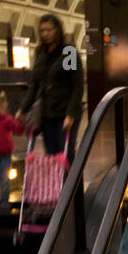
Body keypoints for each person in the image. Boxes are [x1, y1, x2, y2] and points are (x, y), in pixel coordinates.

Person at [16, 13, 84, 161]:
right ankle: (56, 184)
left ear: (57, 30)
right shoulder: (40, 52)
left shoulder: (68, 52)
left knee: (66, 155)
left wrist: (71, 114)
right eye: (42, 30)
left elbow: (77, 85)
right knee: (52, 155)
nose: (45, 34)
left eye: (49, 30)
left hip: (65, 112)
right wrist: (23, 109)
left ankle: (71, 184)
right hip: (47, 113)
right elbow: (34, 84)